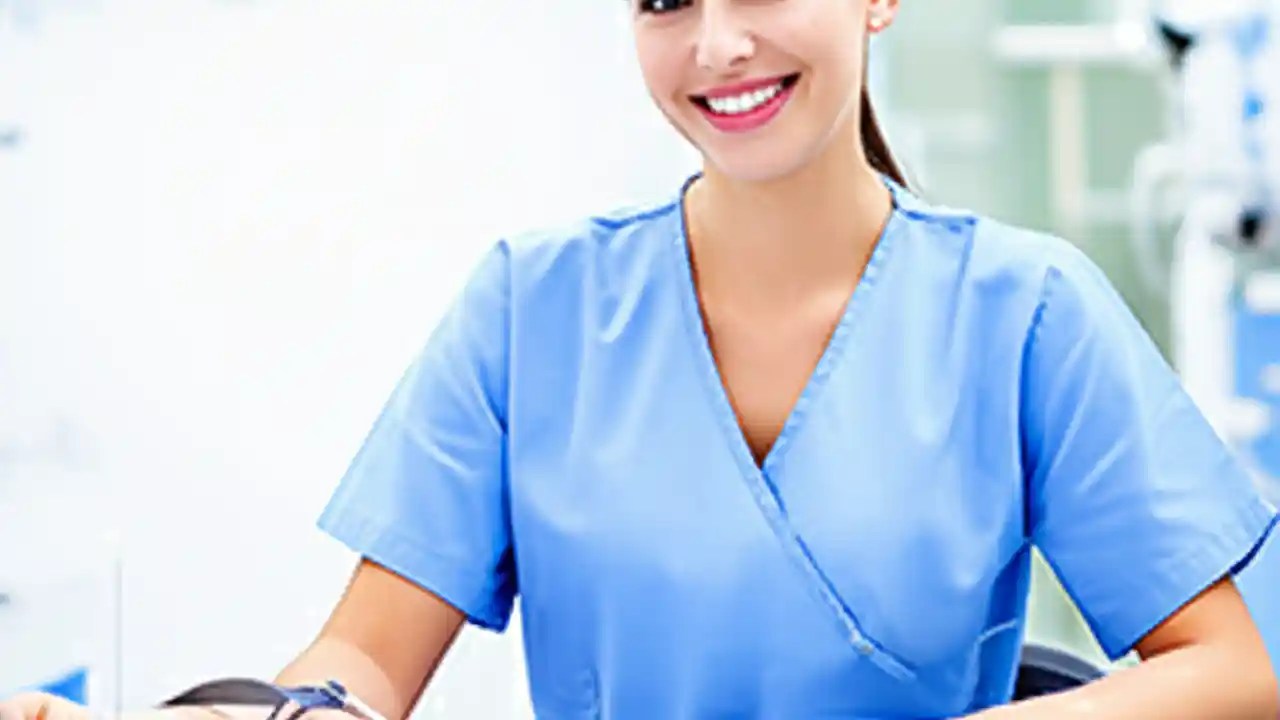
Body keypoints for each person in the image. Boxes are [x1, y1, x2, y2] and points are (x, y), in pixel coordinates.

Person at [5, 0, 1279, 717]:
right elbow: (363, 665)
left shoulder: (1024, 312)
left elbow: (1226, 677)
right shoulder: (533, 306)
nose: (717, 44)